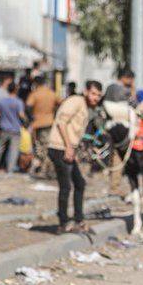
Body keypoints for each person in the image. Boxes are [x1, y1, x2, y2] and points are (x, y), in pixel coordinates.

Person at [48, 80, 103, 234]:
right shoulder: (75, 101)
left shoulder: (85, 107)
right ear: (85, 91)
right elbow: (61, 123)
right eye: (93, 94)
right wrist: (68, 147)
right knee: (66, 186)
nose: (95, 98)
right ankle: (63, 223)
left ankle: (79, 219)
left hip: (68, 148)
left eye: (98, 95)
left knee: (80, 183)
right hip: (59, 147)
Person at [25, 76, 59, 178]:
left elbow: (28, 107)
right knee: (49, 146)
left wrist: (31, 119)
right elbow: (61, 104)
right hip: (51, 123)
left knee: (41, 148)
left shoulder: (34, 94)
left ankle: (45, 170)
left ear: (35, 83)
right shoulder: (52, 93)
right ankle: (49, 169)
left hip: (38, 124)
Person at [0, 79, 27, 174]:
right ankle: (10, 170)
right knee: (14, 150)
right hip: (15, 130)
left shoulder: (2, 101)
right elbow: (21, 115)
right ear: (16, 90)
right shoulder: (18, 102)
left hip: (3, 128)